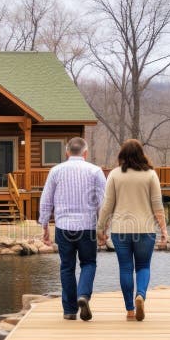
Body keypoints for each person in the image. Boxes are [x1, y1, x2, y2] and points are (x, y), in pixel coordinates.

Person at [97, 139, 167, 321]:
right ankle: (141, 295)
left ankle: (129, 309)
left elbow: (107, 206)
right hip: (145, 229)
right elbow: (158, 206)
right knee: (143, 266)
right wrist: (164, 231)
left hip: (120, 230)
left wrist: (100, 228)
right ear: (141, 154)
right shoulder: (151, 175)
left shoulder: (114, 174)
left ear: (122, 155)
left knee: (126, 268)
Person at [38, 137, 107, 321]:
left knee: (67, 267)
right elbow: (103, 203)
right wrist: (103, 228)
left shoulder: (56, 171)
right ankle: (83, 295)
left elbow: (46, 200)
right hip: (87, 227)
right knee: (88, 263)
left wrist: (45, 226)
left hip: (63, 226)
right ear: (85, 153)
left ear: (67, 152)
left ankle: (69, 311)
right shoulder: (95, 171)